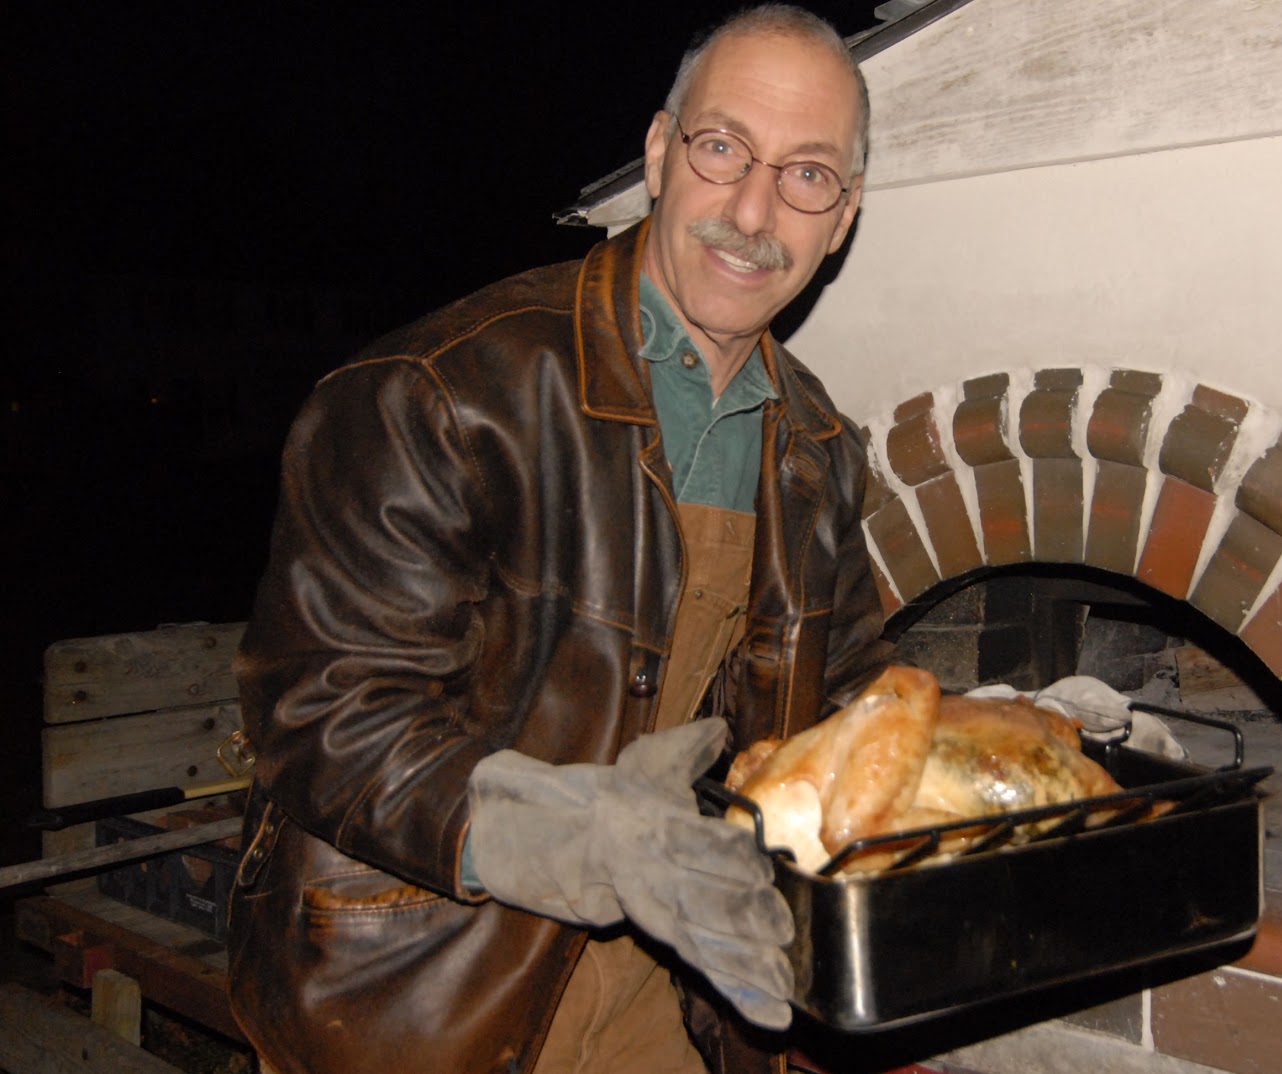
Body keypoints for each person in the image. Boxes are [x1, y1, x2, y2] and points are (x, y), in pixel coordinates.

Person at [225, 6, 892, 1074]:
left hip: (667, 993)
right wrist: (570, 839)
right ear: (660, 155)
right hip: (420, 990)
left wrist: (1007, 735)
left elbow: (847, 692)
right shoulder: (439, 394)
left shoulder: (815, 449)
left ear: (843, 217)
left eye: (808, 174)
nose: (755, 210)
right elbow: (323, 716)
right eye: (723, 150)